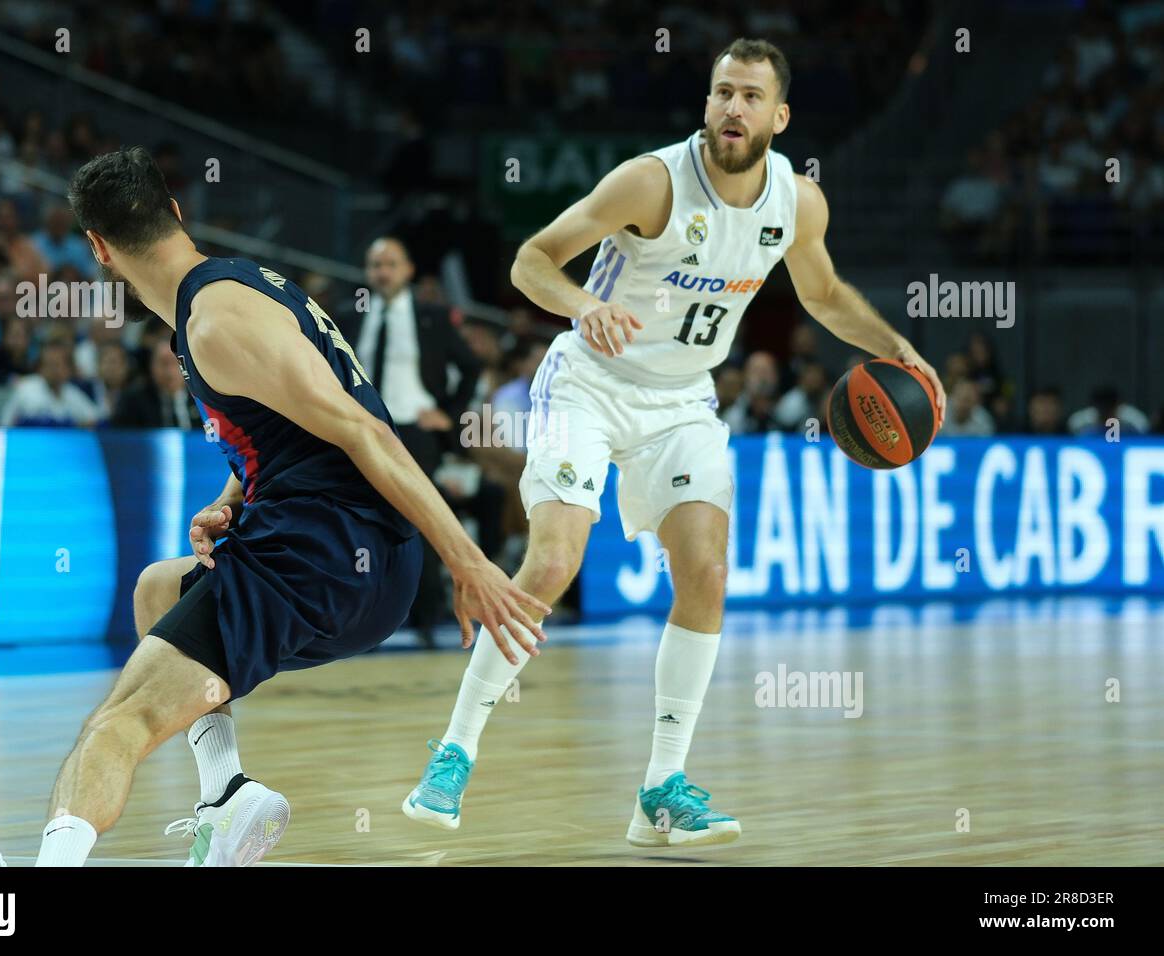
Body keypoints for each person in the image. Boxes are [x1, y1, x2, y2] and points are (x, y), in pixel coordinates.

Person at [402, 38, 944, 848]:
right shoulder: (651, 182)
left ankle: (660, 787)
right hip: (588, 382)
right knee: (551, 564)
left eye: (751, 96)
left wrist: (895, 350)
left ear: (780, 115)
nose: (734, 108)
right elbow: (529, 262)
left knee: (708, 574)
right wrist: (583, 303)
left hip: (683, 400)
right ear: (706, 104)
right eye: (722, 92)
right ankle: (453, 753)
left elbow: (825, 294)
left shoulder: (798, 203)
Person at [36, 147, 545, 867]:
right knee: (158, 588)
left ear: (99, 250)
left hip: (329, 556)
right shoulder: (232, 289)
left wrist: (469, 563)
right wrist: (232, 496)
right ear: (177, 212)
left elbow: (364, 428)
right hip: (331, 546)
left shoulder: (216, 322)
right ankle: (228, 796)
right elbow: (291, 430)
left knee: (118, 725)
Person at [339, 237, 484, 646]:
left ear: (408, 270)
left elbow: (471, 366)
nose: (381, 272)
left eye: (390, 263)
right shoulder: (351, 317)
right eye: (375, 264)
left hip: (413, 432)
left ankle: (424, 618)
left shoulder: (433, 316)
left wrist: (448, 413)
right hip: (360, 431)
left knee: (423, 520)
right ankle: (357, 618)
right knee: (357, 522)